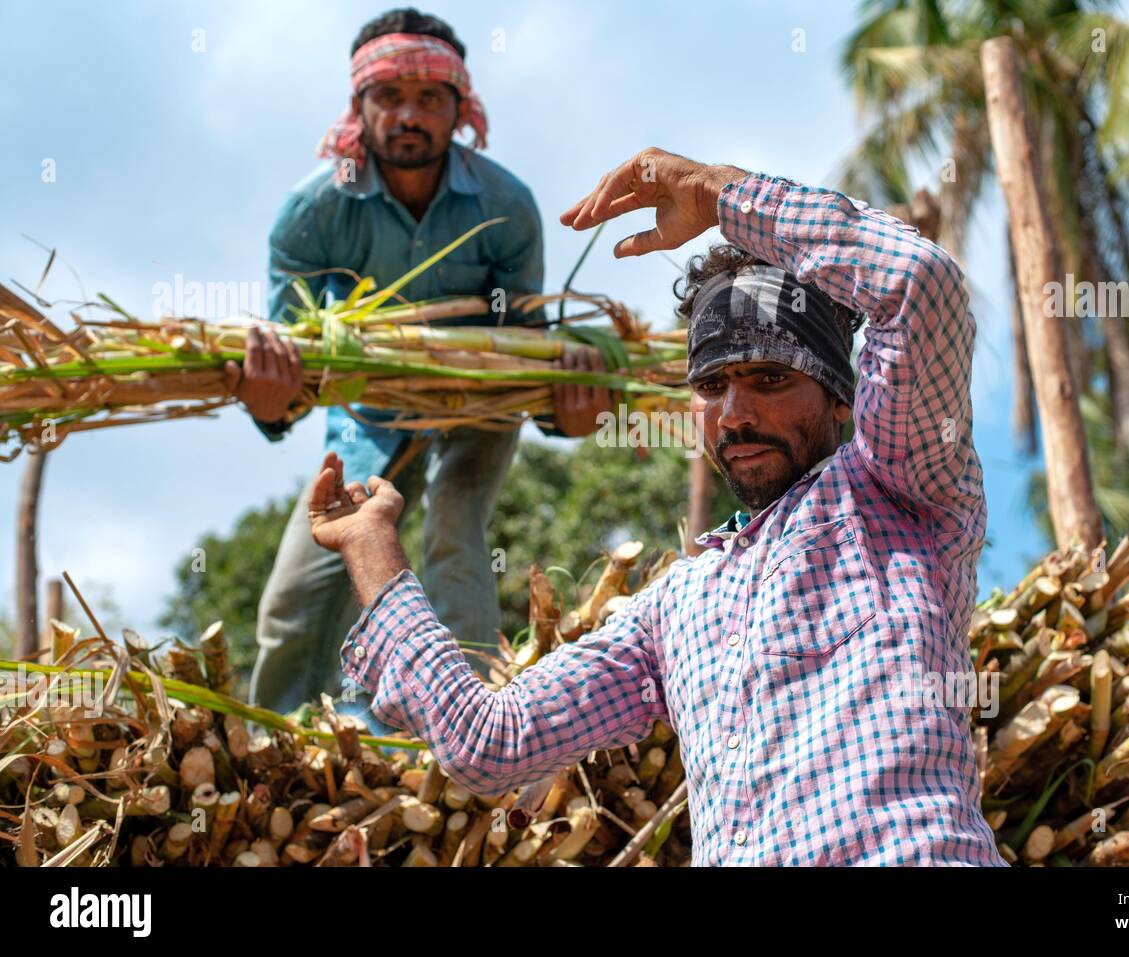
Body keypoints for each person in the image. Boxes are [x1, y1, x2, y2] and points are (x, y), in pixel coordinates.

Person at [306, 146, 1003, 865]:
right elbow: (491, 741)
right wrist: (371, 545)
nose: (733, 413)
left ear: (838, 393)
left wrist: (712, 194)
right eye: (711, 386)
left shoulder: (900, 490)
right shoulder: (675, 607)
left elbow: (920, 283)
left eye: (768, 377)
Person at [227, 9, 612, 729]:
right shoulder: (312, 212)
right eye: (389, 97)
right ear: (359, 108)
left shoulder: (506, 207)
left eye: (431, 98)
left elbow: (527, 347)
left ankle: (468, 730)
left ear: (461, 110)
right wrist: (267, 399)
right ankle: (278, 748)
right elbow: (287, 371)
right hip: (370, 411)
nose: (409, 114)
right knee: (295, 592)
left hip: (480, 403)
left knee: (454, 535)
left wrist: (569, 411)